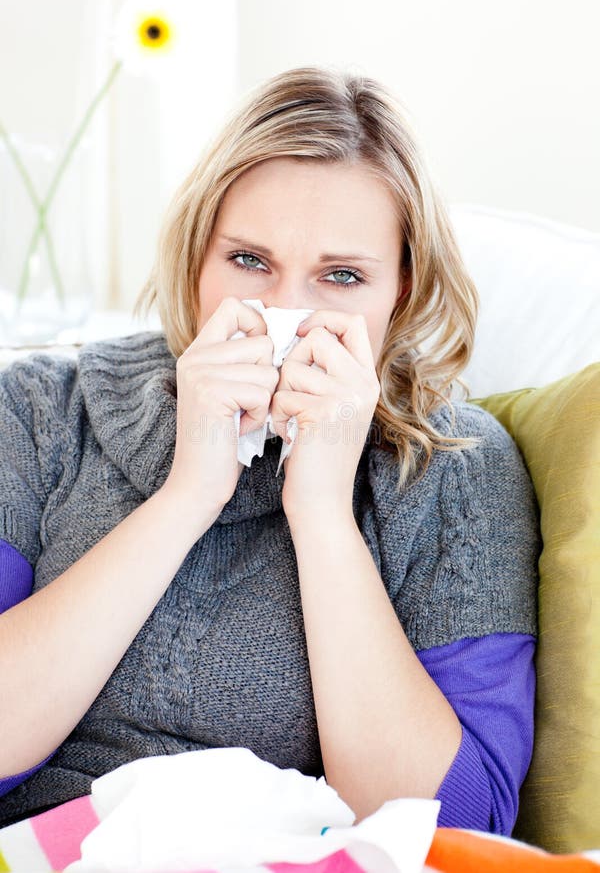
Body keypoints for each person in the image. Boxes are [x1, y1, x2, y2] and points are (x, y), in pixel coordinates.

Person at [0, 65, 540, 835]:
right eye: (249, 261)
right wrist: (189, 493)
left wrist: (321, 510)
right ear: (195, 260)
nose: (286, 314)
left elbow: (454, 824)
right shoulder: (41, 409)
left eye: (343, 276)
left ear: (403, 291)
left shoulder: (455, 466)